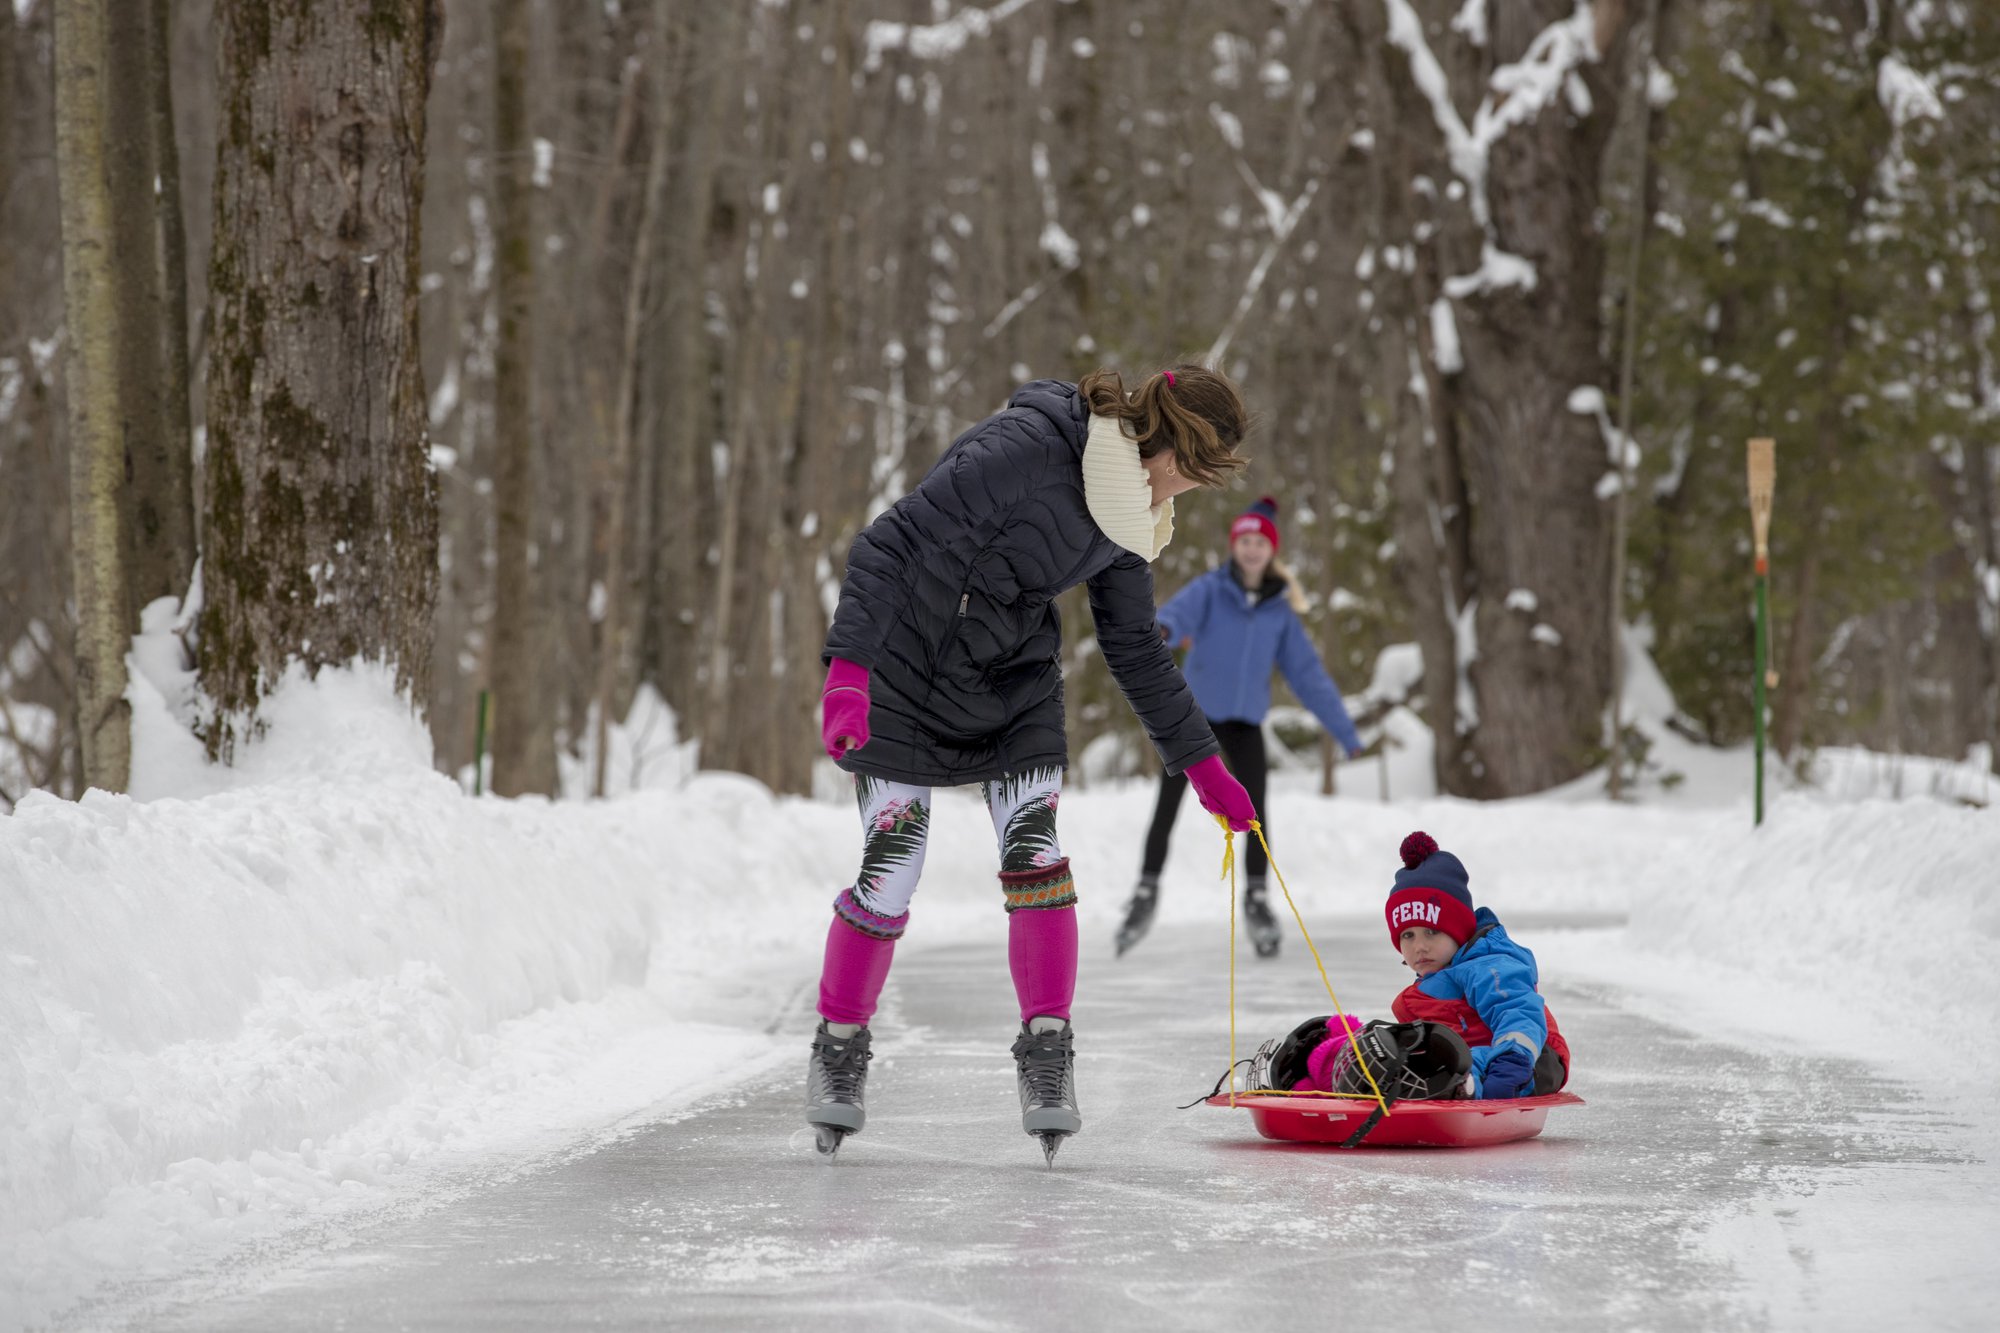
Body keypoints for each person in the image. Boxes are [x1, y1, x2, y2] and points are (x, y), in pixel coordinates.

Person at [807, 365, 1261, 1159]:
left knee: (1036, 855)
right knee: (893, 862)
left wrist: (1204, 766)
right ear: (1166, 442)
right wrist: (849, 672)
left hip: (1012, 684)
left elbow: (1133, 650)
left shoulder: (1128, 518)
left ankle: (1048, 1054)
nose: (1185, 492)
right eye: (1191, 471)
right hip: (904, 673)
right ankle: (839, 1046)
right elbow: (890, 541)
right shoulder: (1026, 450)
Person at [1116, 496, 1364, 959]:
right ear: (1234, 546)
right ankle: (1146, 889)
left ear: (1271, 551)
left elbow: (1308, 677)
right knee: (1167, 806)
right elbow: (1174, 616)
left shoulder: (1280, 614)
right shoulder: (1211, 589)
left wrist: (1345, 733)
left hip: (1245, 724)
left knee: (1255, 813)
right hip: (1194, 718)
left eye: (1259, 542)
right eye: (1244, 541)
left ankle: (1256, 897)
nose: (1251, 550)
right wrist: (1164, 631)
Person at [1378, 830, 1570, 1098]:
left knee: (1466, 1061)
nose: (1419, 946)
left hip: (1532, 1057)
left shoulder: (1488, 966)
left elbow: (1517, 1011)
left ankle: (1458, 1088)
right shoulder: (1432, 983)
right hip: (1481, 1057)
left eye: (1431, 932)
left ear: (1457, 932)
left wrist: (1513, 1060)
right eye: (1408, 935)